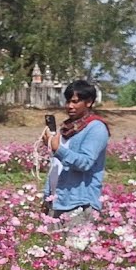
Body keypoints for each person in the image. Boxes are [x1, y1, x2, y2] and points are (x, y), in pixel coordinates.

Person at [42, 80, 109, 225]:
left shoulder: (96, 128)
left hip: (80, 203)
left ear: (89, 102)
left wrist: (58, 149)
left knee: (75, 247)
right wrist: (47, 196)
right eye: (67, 101)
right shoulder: (67, 129)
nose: (69, 106)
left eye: (75, 102)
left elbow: (85, 163)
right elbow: (56, 168)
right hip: (57, 202)